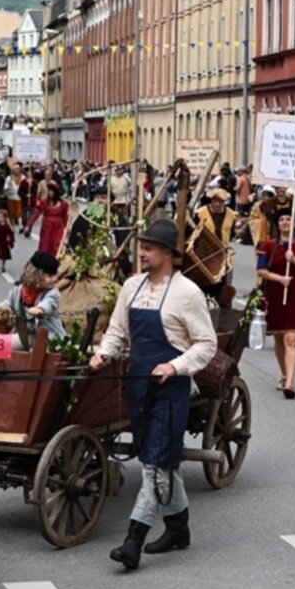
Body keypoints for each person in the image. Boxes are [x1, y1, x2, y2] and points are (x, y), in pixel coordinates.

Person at [90, 219, 215, 570]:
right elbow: (117, 331)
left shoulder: (187, 293)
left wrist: (175, 367)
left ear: (168, 254)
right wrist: (104, 353)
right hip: (138, 385)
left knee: (155, 465)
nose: (141, 252)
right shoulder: (131, 286)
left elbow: (207, 345)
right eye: (141, 246)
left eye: (148, 247)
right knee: (158, 459)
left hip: (170, 389)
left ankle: (133, 540)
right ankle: (178, 529)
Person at [257, 211, 295, 399]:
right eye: (282, 220)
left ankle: (290, 383)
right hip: (275, 296)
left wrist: (294, 260)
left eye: (288, 219)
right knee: (279, 339)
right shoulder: (268, 246)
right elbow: (261, 270)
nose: (285, 222)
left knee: (292, 339)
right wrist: (280, 279)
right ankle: (284, 374)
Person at [7, 252, 63, 347]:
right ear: (36, 276)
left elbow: (49, 302)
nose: (55, 279)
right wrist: (2, 310)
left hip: (49, 338)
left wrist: (40, 309)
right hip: (25, 334)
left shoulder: (52, 293)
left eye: (55, 275)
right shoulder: (19, 290)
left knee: (7, 344)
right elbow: (9, 303)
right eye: (49, 276)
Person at [194, 189, 237, 298]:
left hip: (223, 255)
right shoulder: (200, 213)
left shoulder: (231, 215)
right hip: (205, 254)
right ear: (211, 200)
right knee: (202, 286)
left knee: (222, 288)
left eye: (221, 201)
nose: (217, 204)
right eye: (215, 201)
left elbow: (231, 234)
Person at [24, 182, 69, 255]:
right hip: (47, 228)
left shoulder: (63, 204)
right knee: (45, 245)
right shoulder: (44, 203)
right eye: (49, 190)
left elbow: (65, 217)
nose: (50, 193)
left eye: (52, 191)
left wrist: (67, 228)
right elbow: (36, 214)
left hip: (58, 228)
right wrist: (29, 224)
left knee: (56, 245)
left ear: (56, 193)